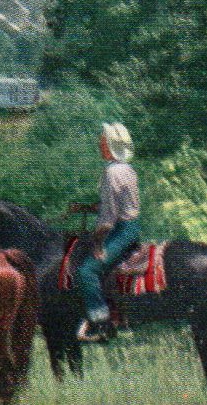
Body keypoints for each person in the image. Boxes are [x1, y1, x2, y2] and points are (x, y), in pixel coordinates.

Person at [75, 122, 141, 343]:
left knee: (86, 271)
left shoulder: (110, 173)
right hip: (133, 228)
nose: (99, 144)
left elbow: (108, 219)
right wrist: (88, 207)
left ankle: (100, 325)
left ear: (110, 146)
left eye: (102, 141)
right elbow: (119, 204)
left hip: (121, 231)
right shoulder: (127, 169)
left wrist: (98, 243)